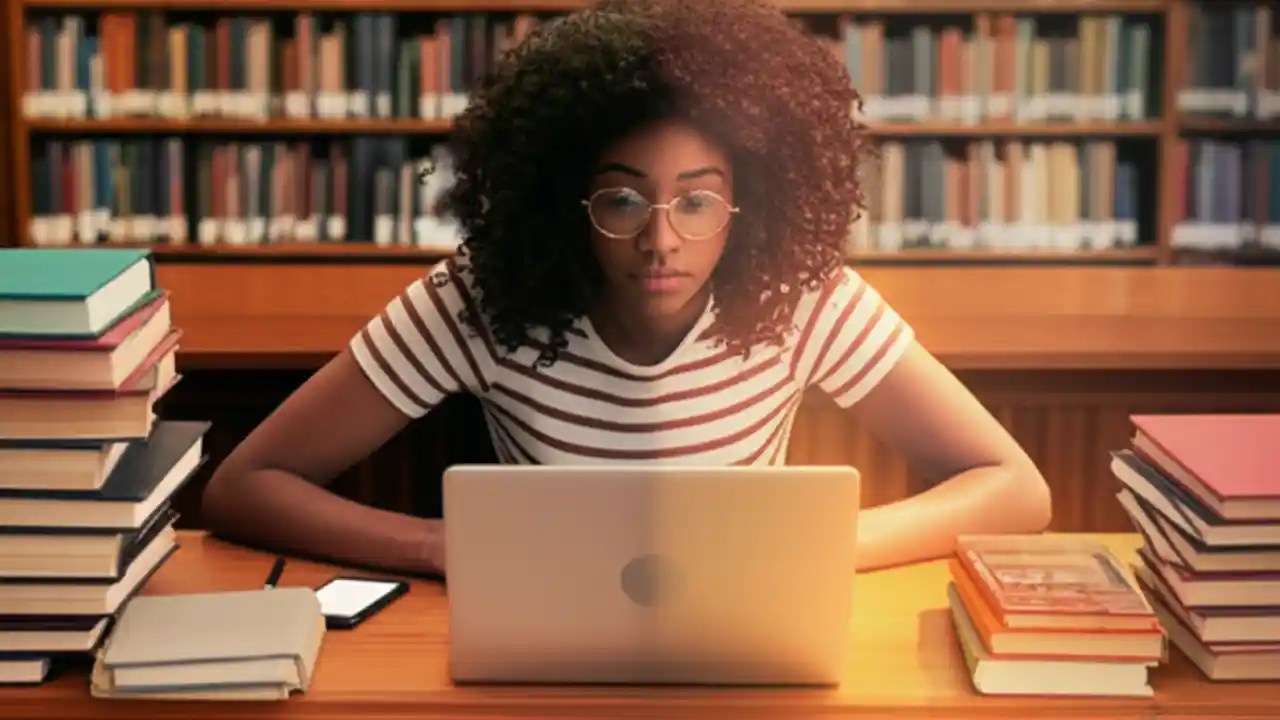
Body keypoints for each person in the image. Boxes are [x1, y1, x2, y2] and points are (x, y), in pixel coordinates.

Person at [200, 0, 1051, 577]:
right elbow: (245, 486)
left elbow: (1015, 489)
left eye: (697, 199)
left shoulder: (804, 294)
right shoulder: (478, 296)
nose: (660, 238)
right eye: (622, 197)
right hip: (541, 632)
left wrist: (810, 550)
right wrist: (445, 545)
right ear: (566, 199)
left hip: (746, 625)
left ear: (750, 202)